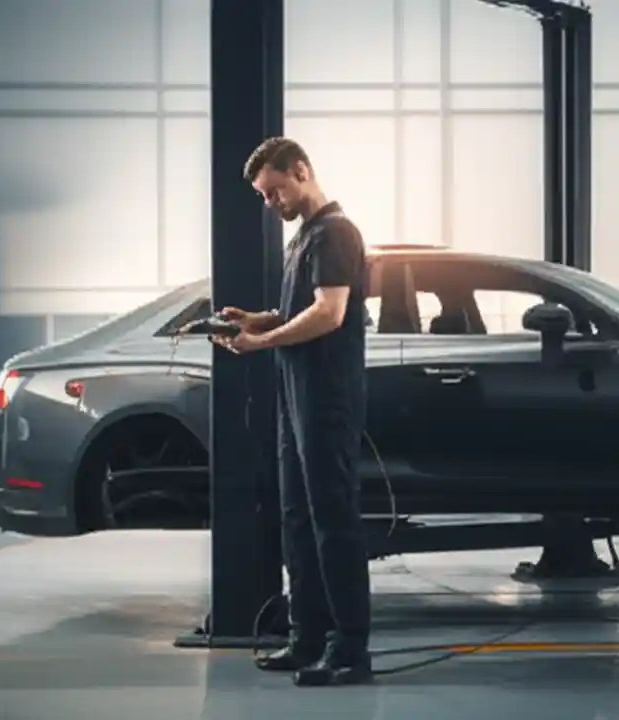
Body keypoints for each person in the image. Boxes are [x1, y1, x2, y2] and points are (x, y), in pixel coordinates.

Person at [213, 136, 372, 687]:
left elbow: (329, 314)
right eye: (264, 195)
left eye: (274, 191)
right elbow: (299, 309)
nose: (270, 204)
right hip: (295, 393)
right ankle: (308, 639)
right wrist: (258, 319)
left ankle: (349, 648)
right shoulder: (303, 238)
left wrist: (261, 343)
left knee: (333, 521)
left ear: (301, 172)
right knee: (298, 519)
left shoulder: (336, 233)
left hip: (327, 397)